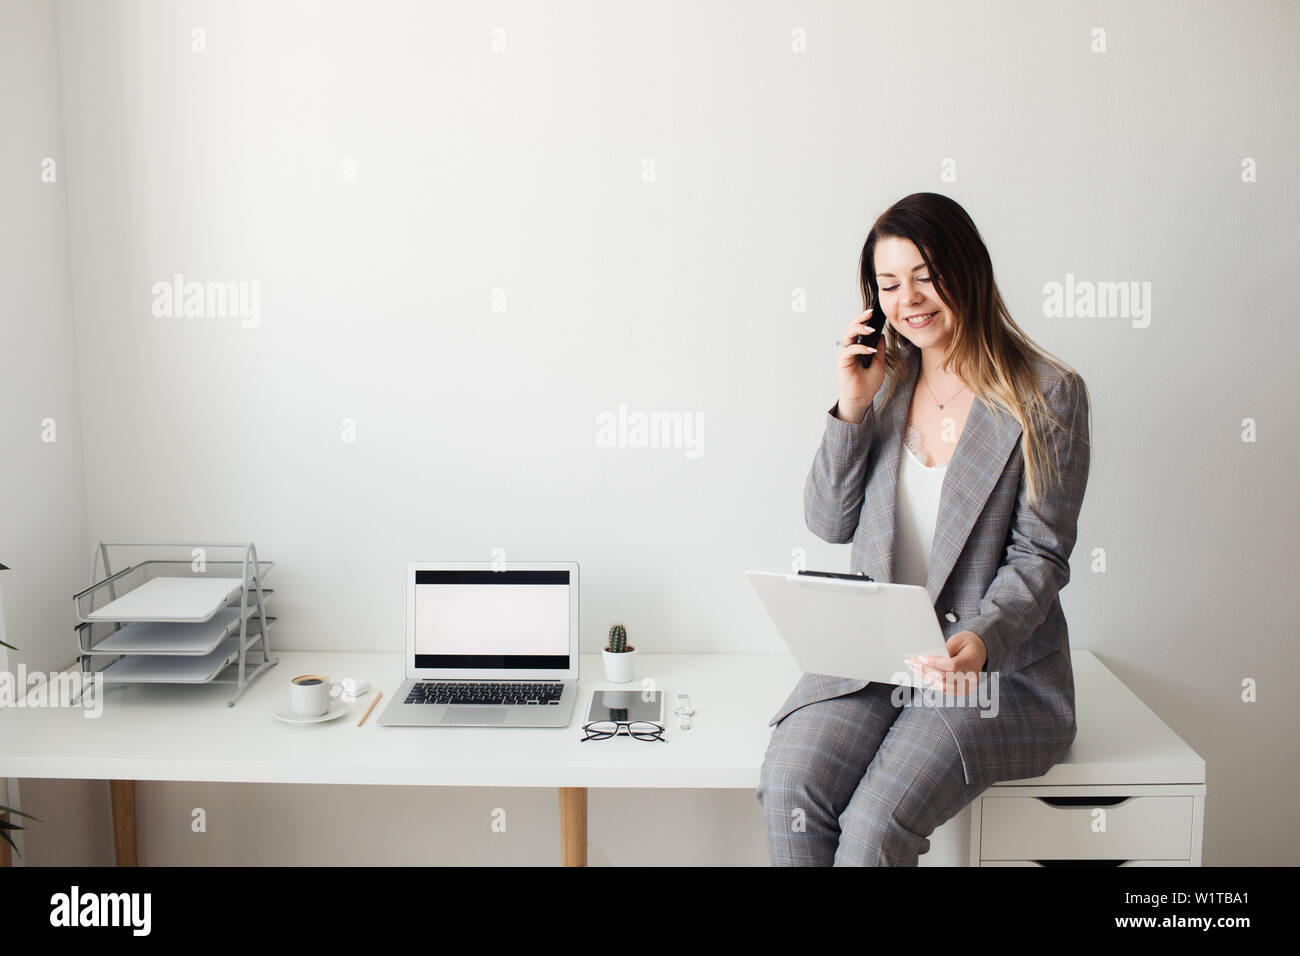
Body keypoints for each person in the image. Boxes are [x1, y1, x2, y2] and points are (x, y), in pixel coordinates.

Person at [756, 192, 1093, 866]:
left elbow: (1041, 556)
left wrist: (978, 639)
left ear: (967, 268)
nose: (907, 299)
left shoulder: (1047, 393)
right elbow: (828, 521)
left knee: (875, 826)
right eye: (887, 285)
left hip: (994, 675)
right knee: (790, 787)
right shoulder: (882, 382)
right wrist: (851, 407)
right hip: (875, 662)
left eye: (924, 275)